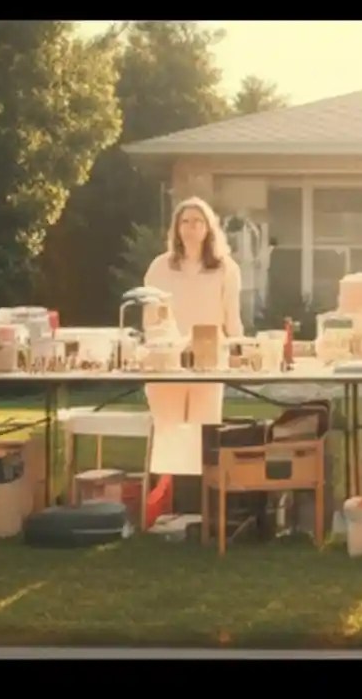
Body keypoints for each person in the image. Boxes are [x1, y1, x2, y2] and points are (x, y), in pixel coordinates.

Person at [142, 196, 243, 510]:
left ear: (208, 227)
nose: (191, 227)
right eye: (185, 221)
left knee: (203, 429)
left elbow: (232, 317)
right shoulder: (160, 266)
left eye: (197, 221)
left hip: (209, 358)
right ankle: (167, 507)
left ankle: (203, 507)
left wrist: (240, 351)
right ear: (176, 228)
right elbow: (151, 318)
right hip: (168, 360)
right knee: (170, 429)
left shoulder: (226, 268)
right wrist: (162, 347)